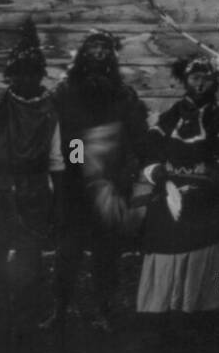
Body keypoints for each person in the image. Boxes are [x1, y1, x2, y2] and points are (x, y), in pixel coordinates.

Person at [0, 20, 65, 346]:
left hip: (34, 192)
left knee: (29, 259)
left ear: (40, 75)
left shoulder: (50, 110)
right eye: (19, 73)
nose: (25, 80)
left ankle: (25, 325)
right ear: (11, 76)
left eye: (32, 73)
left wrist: (59, 203)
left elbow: (58, 160)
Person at [46, 30, 149, 333]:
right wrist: (69, 169)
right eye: (93, 47)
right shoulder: (65, 91)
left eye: (105, 48)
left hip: (109, 182)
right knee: (68, 250)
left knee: (107, 251)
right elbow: (57, 132)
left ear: (112, 57)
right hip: (74, 182)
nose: (99, 54)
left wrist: (130, 171)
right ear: (82, 54)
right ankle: (61, 309)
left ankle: (105, 310)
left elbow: (137, 136)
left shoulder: (123, 94)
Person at [135, 56, 219, 333]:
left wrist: (210, 177)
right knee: (162, 228)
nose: (200, 83)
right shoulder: (173, 114)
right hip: (171, 189)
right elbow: (151, 147)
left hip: (207, 193)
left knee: (215, 240)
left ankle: (211, 307)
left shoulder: (218, 118)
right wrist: (157, 172)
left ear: (213, 82)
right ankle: (165, 308)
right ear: (185, 81)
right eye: (195, 78)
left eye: (206, 78)